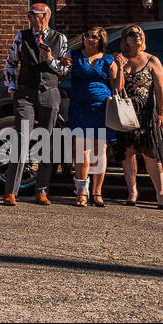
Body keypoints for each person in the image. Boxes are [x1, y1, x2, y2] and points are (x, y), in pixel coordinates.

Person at [2, 2, 71, 206]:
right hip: (26, 93)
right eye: (30, 14)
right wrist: (12, 89)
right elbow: (10, 64)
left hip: (49, 93)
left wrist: (50, 59)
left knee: (47, 141)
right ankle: (11, 192)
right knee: (22, 138)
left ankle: (41, 191)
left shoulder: (60, 39)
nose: (31, 18)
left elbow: (64, 71)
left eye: (35, 14)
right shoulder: (21, 37)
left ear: (46, 16)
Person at [112, 25, 163, 209]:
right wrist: (121, 67)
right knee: (127, 152)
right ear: (125, 39)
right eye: (132, 33)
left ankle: (160, 193)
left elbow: (161, 89)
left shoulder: (152, 60)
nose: (137, 36)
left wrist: (162, 113)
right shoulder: (119, 60)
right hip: (125, 112)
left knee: (151, 154)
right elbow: (117, 87)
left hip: (146, 113)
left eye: (139, 33)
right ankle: (132, 191)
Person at [68, 27, 119, 207]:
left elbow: (116, 84)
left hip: (101, 107)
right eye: (88, 35)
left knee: (99, 150)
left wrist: (119, 68)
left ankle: (97, 192)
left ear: (101, 40)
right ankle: (82, 191)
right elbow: (62, 74)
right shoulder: (73, 56)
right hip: (79, 106)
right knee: (81, 149)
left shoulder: (108, 59)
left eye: (95, 37)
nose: (90, 39)